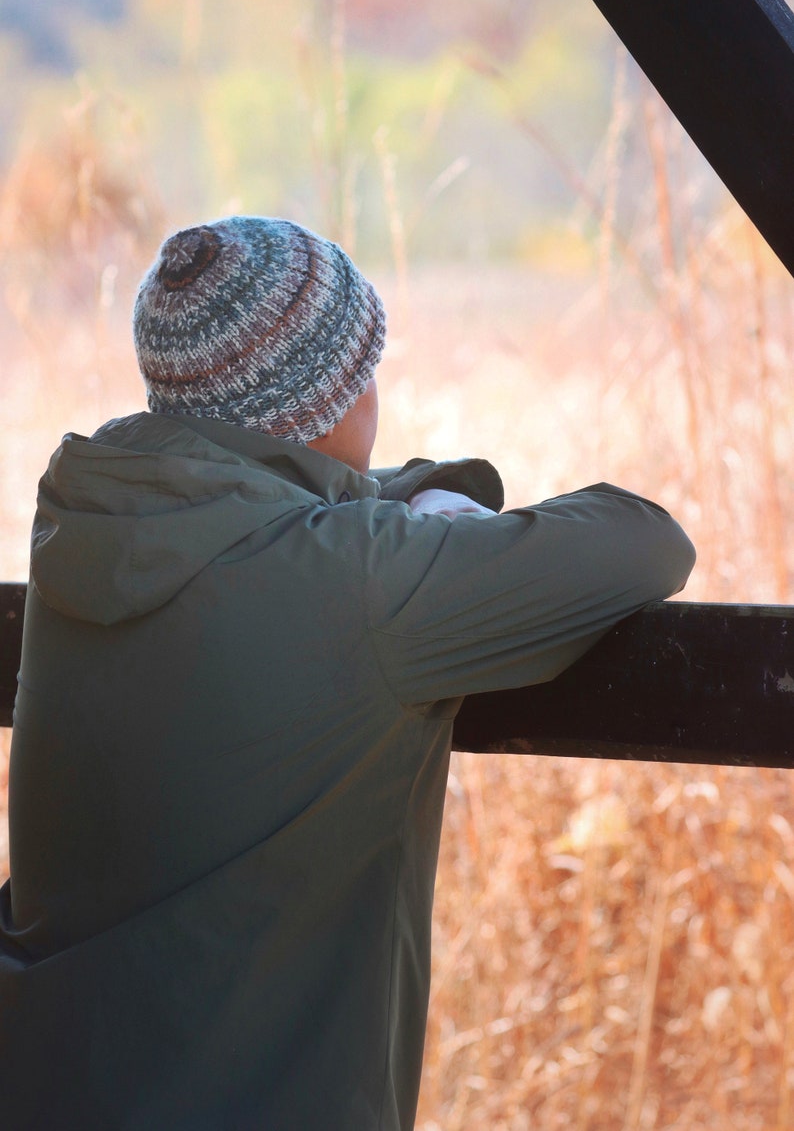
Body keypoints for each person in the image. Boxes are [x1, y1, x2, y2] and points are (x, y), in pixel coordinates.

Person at [0, 216, 695, 1130]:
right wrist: (420, 520)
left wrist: (390, 506)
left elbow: (294, 521)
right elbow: (644, 541)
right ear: (325, 399)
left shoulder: (86, 529)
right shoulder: (359, 583)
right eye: (362, 369)